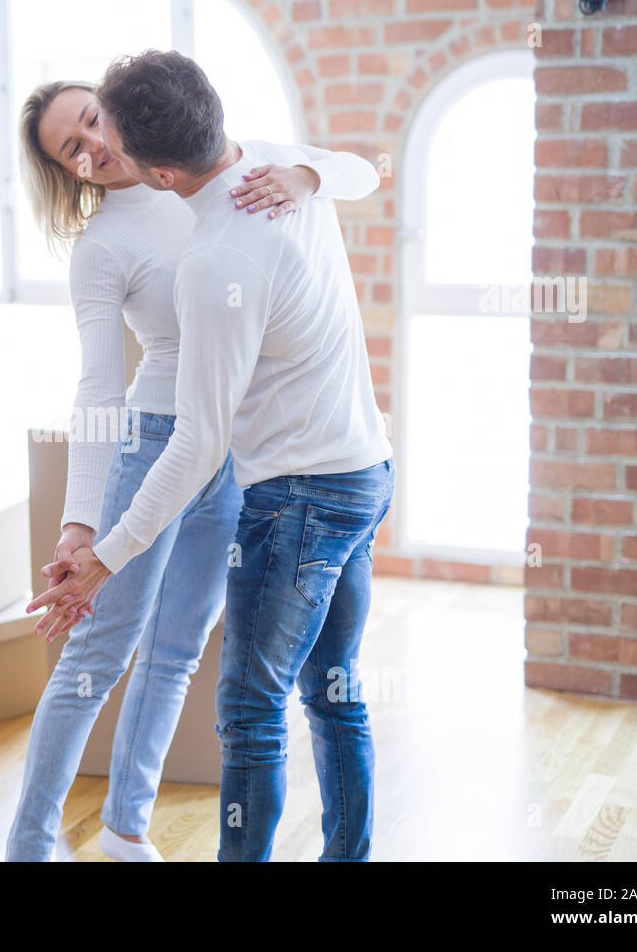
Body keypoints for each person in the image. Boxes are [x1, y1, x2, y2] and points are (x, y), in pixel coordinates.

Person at [28, 50, 394, 862]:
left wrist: (311, 174)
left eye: (96, 123)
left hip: (265, 474)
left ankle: (134, 828)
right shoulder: (153, 224)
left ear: (155, 161)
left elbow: (200, 439)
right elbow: (100, 390)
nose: (94, 149)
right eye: (73, 150)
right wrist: (83, 523)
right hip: (285, 459)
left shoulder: (236, 211)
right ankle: (39, 841)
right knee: (318, 692)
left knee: (220, 682)